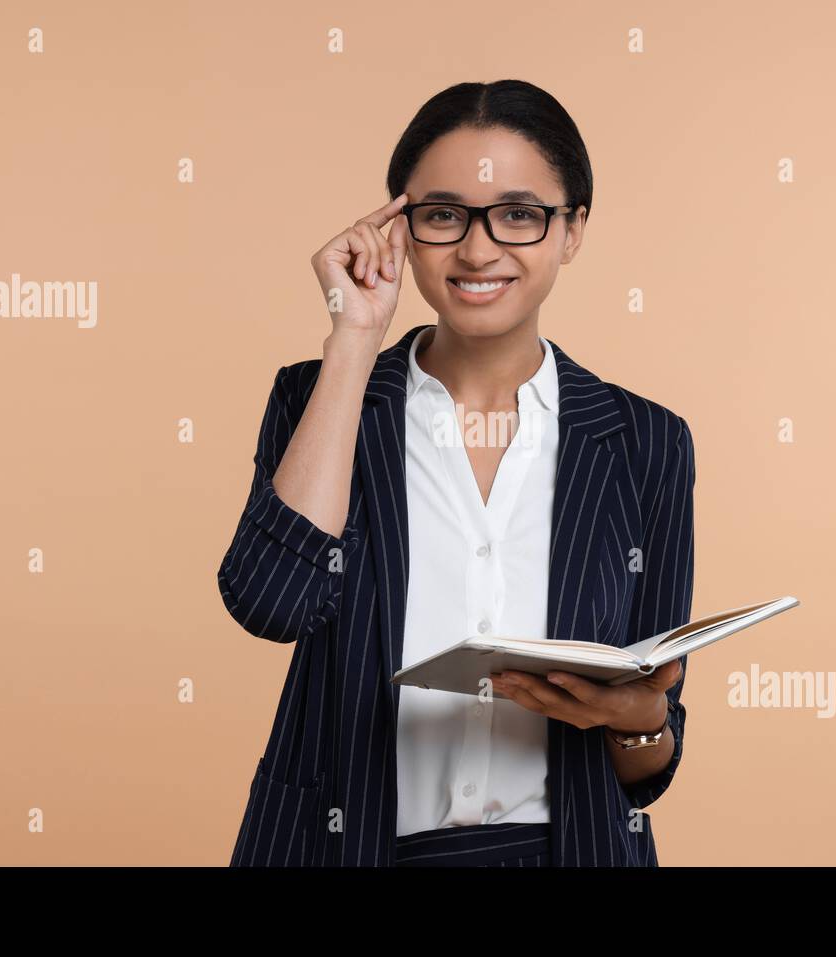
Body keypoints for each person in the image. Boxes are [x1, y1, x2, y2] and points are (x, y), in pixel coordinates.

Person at [218, 79, 695, 867]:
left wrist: (641, 716)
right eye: (443, 215)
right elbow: (271, 603)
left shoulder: (648, 443)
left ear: (572, 229)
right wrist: (352, 341)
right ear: (397, 227)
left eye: (520, 214)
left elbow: (648, 774)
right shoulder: (320, 396)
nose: (478, 250)